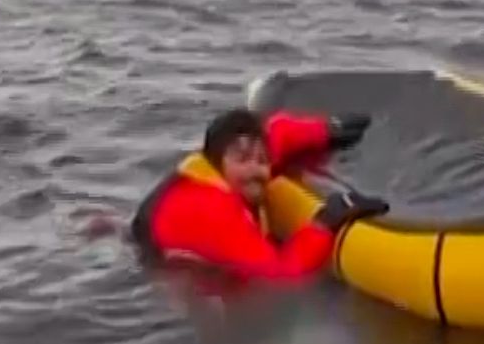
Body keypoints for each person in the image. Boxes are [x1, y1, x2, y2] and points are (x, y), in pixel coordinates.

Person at [125, 106, 389, 284]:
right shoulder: (216, 210)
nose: (256, 170)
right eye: (243, 159)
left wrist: (324, 131)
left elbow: (279, 134)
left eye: (261, 160)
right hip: (154, 264)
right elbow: (281, 274)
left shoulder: (234, 170)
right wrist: (325, 221)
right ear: (218, 164)